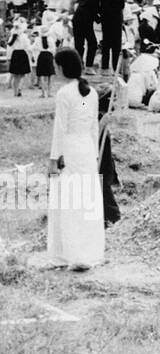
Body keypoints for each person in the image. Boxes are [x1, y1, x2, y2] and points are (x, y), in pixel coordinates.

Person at [46, 49, 104, 270]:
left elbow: (60, 129)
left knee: (69, 201)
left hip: (70, 148)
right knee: (86, 200)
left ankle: (67, 254)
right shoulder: (90, 93)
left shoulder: (65, 93)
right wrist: (95, 154)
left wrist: (53, 159)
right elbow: (93, 127)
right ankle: (87, 251)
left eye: (55, 65)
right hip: (86, 149)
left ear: (61, 67)